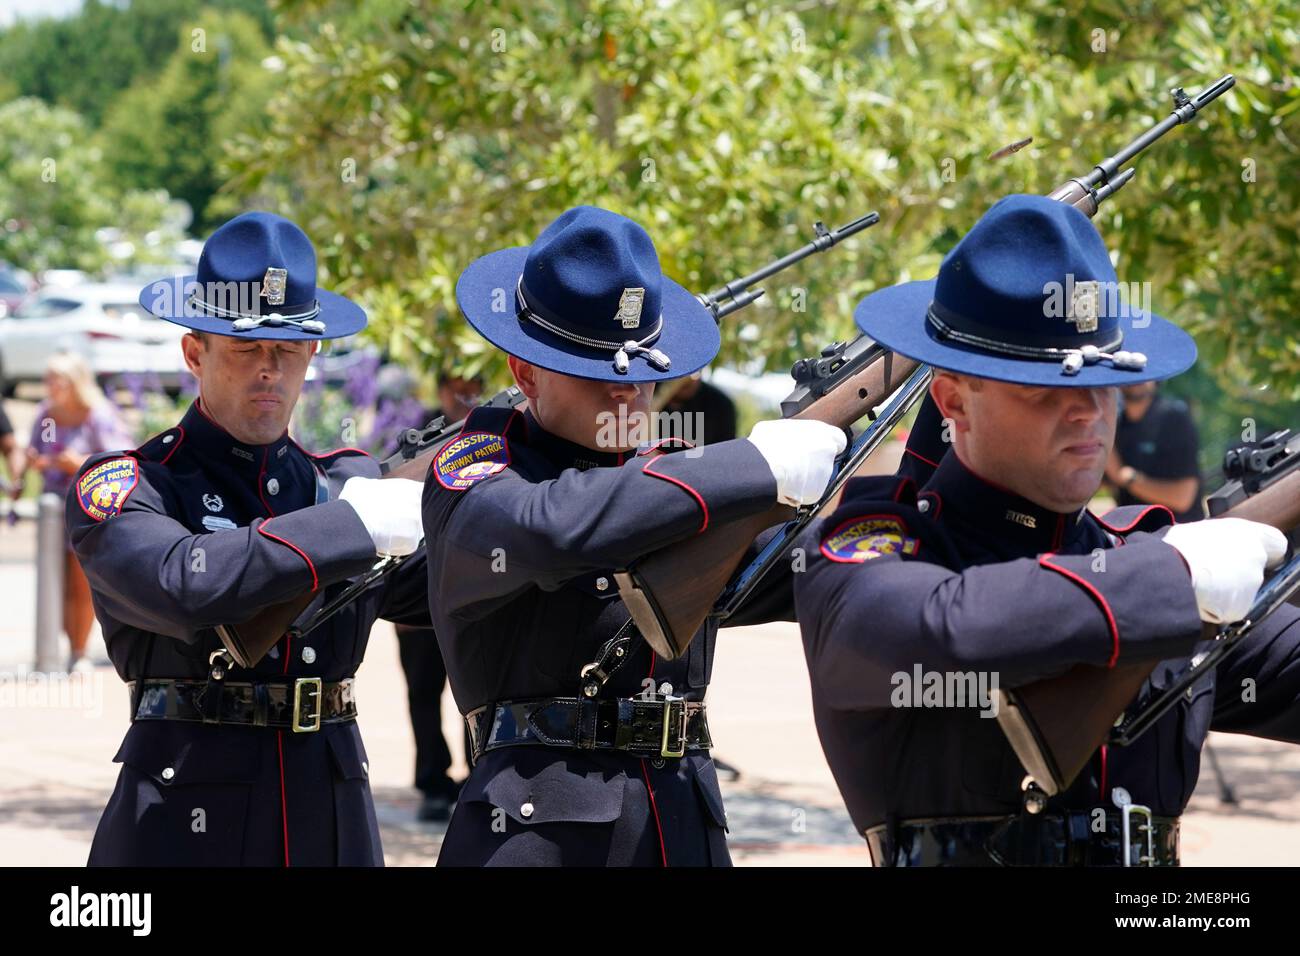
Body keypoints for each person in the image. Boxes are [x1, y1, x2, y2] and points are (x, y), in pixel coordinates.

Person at [795, 194, 1295, 866]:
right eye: (1045, 388)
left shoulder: (1136, 557)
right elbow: (943, 631)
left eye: (1105, 383)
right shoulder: (873, 550)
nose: (1088, 411)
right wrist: (1174, 575)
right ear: (952, 400)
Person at [423, 205, 845, 866]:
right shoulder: (477, 471)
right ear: (526, 373)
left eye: (642, 373)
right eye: (598, 373)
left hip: (681, 825)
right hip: (537, 838)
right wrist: (753, 465)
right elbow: (552, 528)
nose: (627, 394)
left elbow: (810, 568)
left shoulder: (673, 484)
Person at [67, 212, 430, 866]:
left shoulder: (343, 484)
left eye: (288, 349)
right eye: (245, 348)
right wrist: (353, 524)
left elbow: (456, 589)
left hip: (329, 809)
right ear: (194, 353)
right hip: (185, 814)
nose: (269, 369)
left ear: (312, 355)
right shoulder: (133, 485)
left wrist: (515, 480)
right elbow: (182, 583)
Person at [394, 370, 484, 822]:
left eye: (474, 386)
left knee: (478, 692)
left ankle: (478, 776)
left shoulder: (491, 435)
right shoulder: (416, 435)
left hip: (470, 592)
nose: (465, 395)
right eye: (457, 387)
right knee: (423, 694)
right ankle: (432, 782)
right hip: (418, 589)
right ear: (442, 388)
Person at [16, 352, 133, 670]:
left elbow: (119, 459)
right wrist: (35, 461)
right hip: (53, 510)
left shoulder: (98, 415)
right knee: (55, 581)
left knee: (82, 583)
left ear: (76, 383)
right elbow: (41, 448)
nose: (51, 387)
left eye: (58, 381)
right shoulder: (47, 415)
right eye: (48, 380)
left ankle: (79, 651)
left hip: (88, 509)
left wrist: (78, 462)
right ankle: (59, 651)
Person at [1106, 380, 1203, 522]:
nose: (1137, 377)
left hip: (1177, 529)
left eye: (1143, 371)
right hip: (1130, 531)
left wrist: (1130, 480)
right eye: (1129, 369)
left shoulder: (1174, 418)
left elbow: (1182, 499)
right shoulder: (1115, 424)